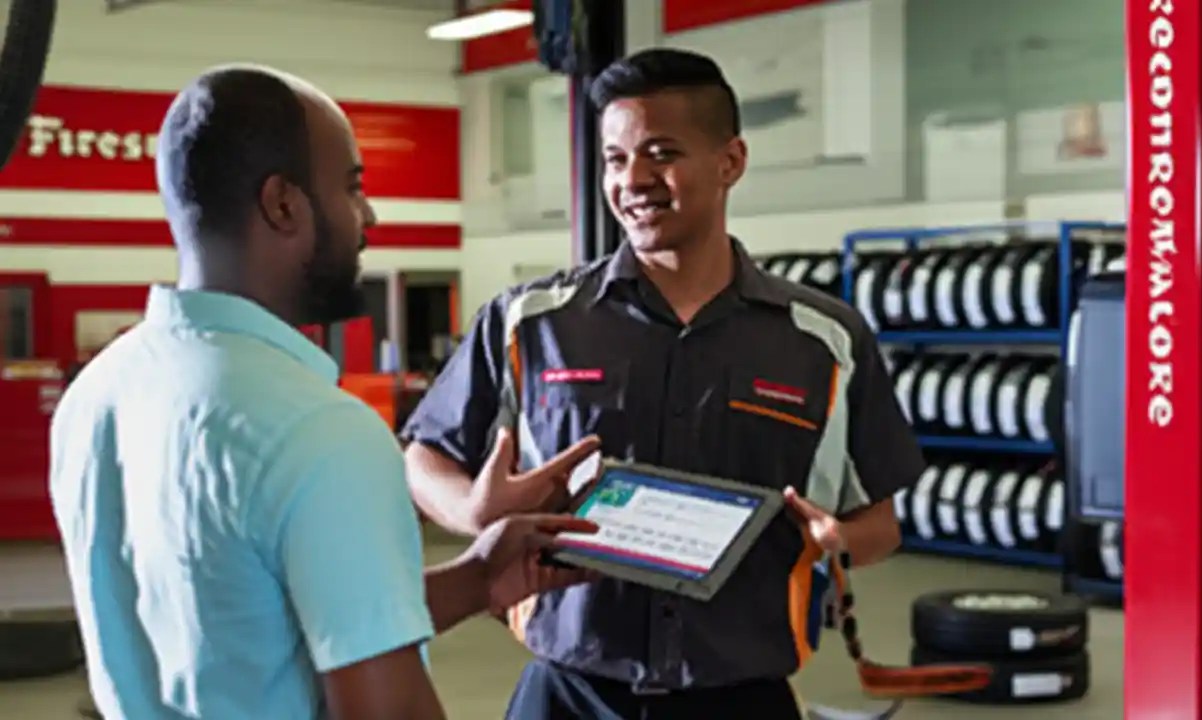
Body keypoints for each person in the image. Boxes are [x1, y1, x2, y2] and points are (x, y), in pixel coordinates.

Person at [47, 64, 600, 720]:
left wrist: (479, 576)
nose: (367, 214)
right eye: (352, 185)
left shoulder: (99, 393)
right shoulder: (320, 430)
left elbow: (252, 628)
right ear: (284, 204)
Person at [399, 48, 925, 719]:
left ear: (730, 162)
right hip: (569, 693)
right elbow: (423, 456)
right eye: (616, 160)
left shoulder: (824, 341)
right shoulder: (530, 321)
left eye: (662, 153)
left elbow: (881, 523)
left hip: (744, 698)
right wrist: (473, 513)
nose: (634, 180)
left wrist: (842, 542)